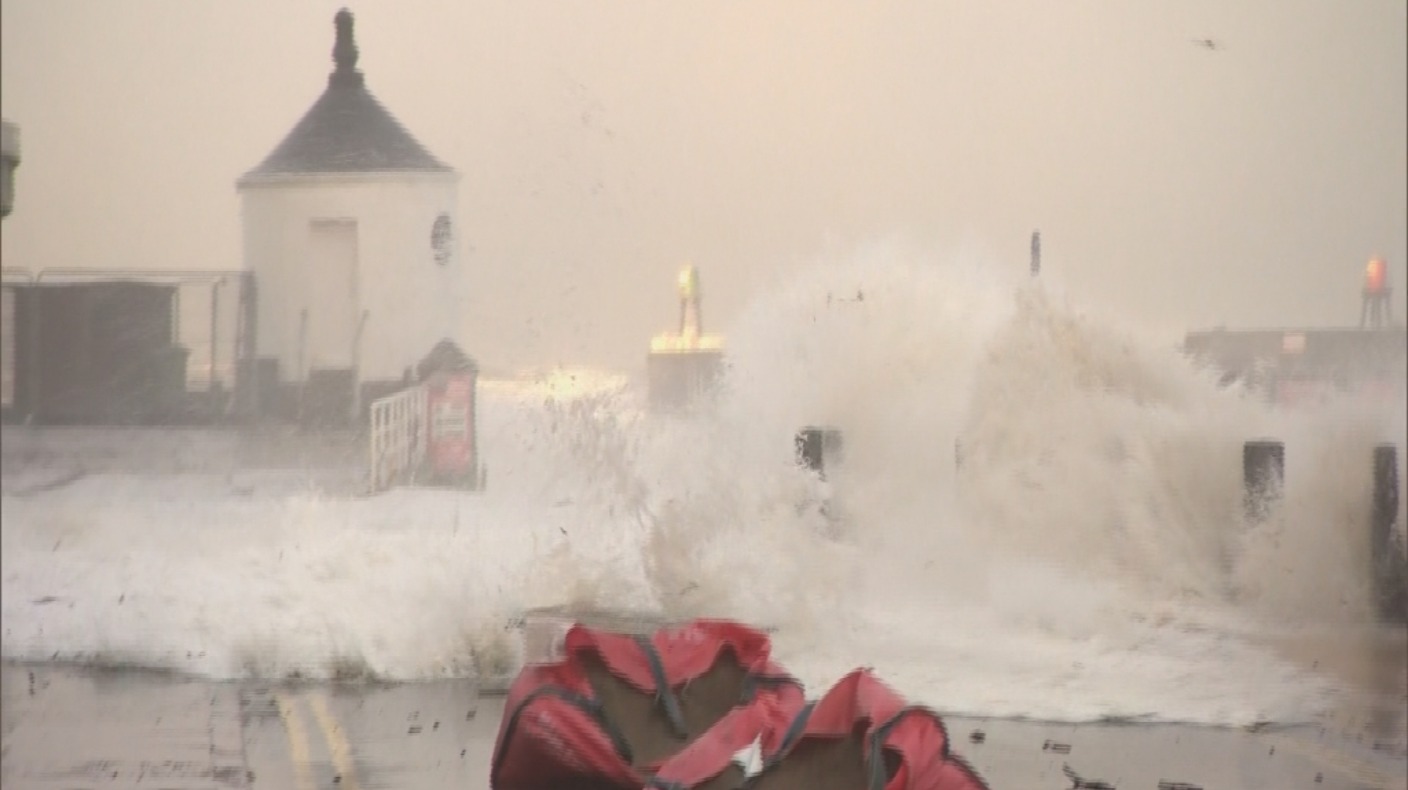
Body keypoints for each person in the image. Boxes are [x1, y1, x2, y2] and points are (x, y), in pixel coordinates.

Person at [1360, 254, 1391, 329]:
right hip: (1376, 289)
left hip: (1374, 289)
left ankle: (1366, 326)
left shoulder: (1373, 267)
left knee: (1371, 311)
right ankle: (1376, 326)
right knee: (1377, 312)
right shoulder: (1380, 266)